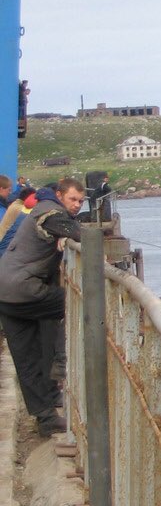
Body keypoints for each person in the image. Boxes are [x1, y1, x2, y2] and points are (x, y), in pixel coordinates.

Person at [0, 178, 85, 436]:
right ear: (59, 195)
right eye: (73, 199)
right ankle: (61, 361)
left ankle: (46, 418)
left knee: (27, 359)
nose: (77, 205)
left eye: (81, 201)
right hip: (24, 290)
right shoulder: (50, 210)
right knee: (76, 302)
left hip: (6, 292)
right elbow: (75, 232)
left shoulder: (39, 207)